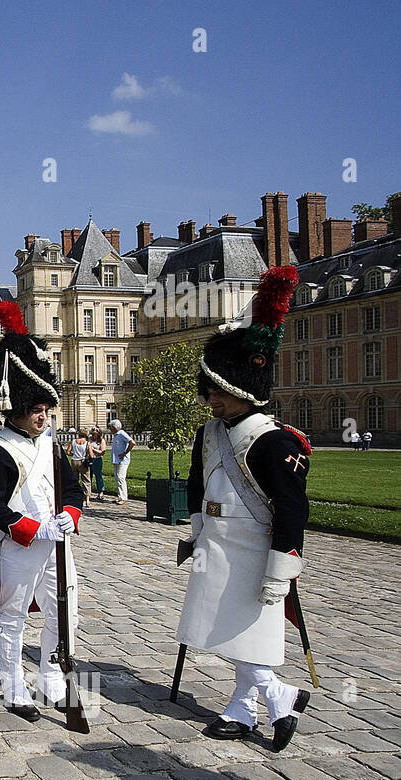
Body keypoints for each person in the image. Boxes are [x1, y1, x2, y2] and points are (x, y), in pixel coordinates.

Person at [178, 266, 312, 751]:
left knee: (247, 628)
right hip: (217, 545)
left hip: (255, 549)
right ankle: (244, 707)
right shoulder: (208, 433)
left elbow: (293, 509)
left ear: (240, 385)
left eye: (216, 387)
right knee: (230, 630)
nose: (208, 395)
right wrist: (195, 530)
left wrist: (283, 566)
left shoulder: (275, 442)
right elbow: (197, 486)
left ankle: (278, 696)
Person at [0, 301, 83, 721]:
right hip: (19, 545)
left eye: (45, 410)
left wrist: (69, 517)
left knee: (65, 610)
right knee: (13, 615)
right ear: (17, 407)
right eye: (36, 410)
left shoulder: (52, 447)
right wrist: (32, 529)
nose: (43, 416)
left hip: (57, 542)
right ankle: (12, 684)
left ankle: (52, 676)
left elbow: (72, 490)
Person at [109, 419, 135, 504]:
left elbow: (132, 442)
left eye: (111, 427)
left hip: (123, 460)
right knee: (117, 478)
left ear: (114, 428)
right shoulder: (117, 435)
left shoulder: (122, 434)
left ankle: (124, 497)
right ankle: (120, 496)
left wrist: (125, 453)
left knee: (121, 478)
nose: (110, 429)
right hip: (117, 459)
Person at [69, 428, 91, 507]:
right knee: (86, 481)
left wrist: (73, 455)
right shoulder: (87, 443)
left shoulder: (73, 441)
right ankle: (87, 500)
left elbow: (68, 452)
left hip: (74, 461)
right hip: (83, 461)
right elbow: (91, 455)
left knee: (75, 480)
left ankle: (75, 497)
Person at [88, 427, 107, 502]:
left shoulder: (101, 441)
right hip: (89, 459)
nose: (93, 436)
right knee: (89, 476)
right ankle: (88, 492)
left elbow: (102, 452)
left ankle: (100, 492)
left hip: (97, 459)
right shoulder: (89, 439)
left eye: (95, 434)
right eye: (92, 434)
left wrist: (93, 450)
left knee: (98, 475)